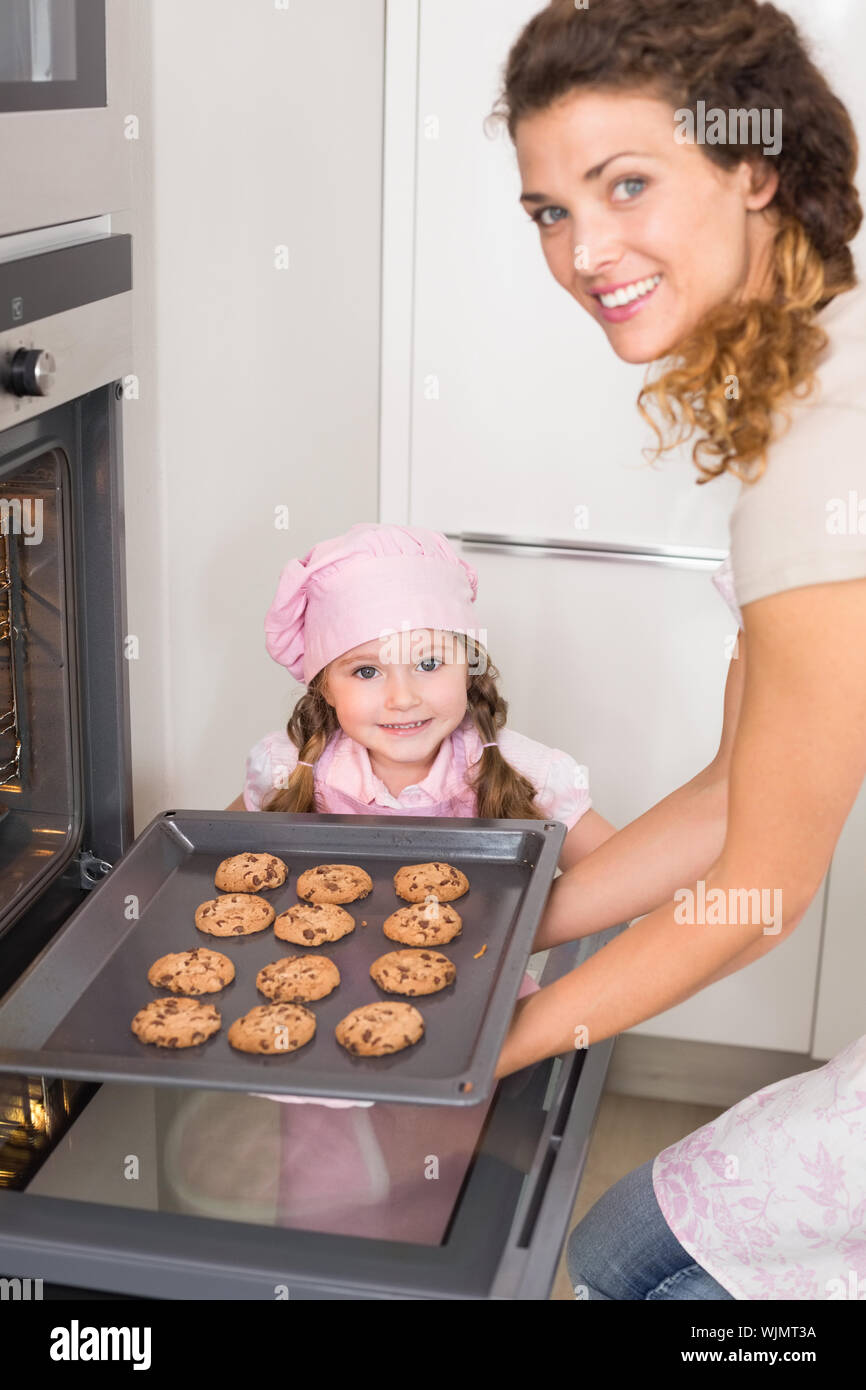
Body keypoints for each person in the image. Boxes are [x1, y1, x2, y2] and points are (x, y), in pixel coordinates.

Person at [485, 0, 866, 1300]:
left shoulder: (829, 460)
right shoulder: (813, 376)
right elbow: (737, 787)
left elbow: (762, 885)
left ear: (752, 169)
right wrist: (509, 928)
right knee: (611, 1257)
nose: (584, 249)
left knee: (634, 1285)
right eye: (548, 209)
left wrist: (483, 1047)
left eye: (626, 183)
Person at [221, 521, 615, 1237]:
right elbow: (225, 866)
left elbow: (620, 873)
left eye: (428, 662)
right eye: (366, 671)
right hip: (312, 1041)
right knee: (321, 1212)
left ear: (470, 664)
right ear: (324, 684)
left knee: (436, 1203)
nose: (401, 697)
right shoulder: (291, 765)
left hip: (469, 1037)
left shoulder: (525, 770)